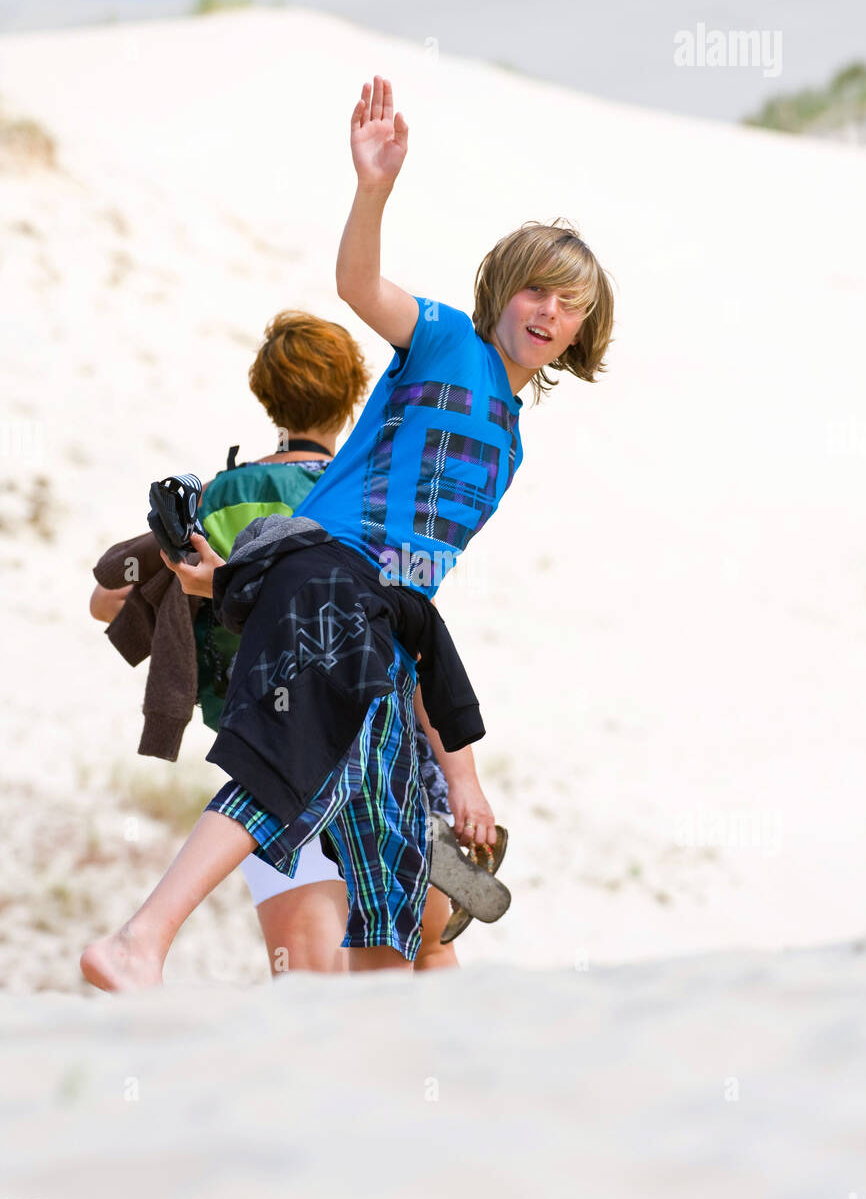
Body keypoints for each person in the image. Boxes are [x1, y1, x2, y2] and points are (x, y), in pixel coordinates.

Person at [80, 72, 615, 991]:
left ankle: (377, 1057)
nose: (549, 313)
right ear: (502, 292)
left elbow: (417, 575)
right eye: (537, 291)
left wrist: (459, 769)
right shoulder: (448, 341)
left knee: (396, 845)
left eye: (569, 307)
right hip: (330, 577)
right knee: (291, 763)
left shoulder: (511, 442)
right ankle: (139, 942)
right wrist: (373, 189)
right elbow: (357, 283)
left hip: (376, 614)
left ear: (581, 333)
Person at [90, 310, 493, 976]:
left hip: (271, 748)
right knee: (420, 957)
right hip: (377, 742)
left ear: (266, 394)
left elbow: (108, 601)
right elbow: (410, 642)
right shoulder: (365, 505)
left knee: (307, 980)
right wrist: (458, 777)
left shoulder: (217, 502)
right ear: (355, 393)